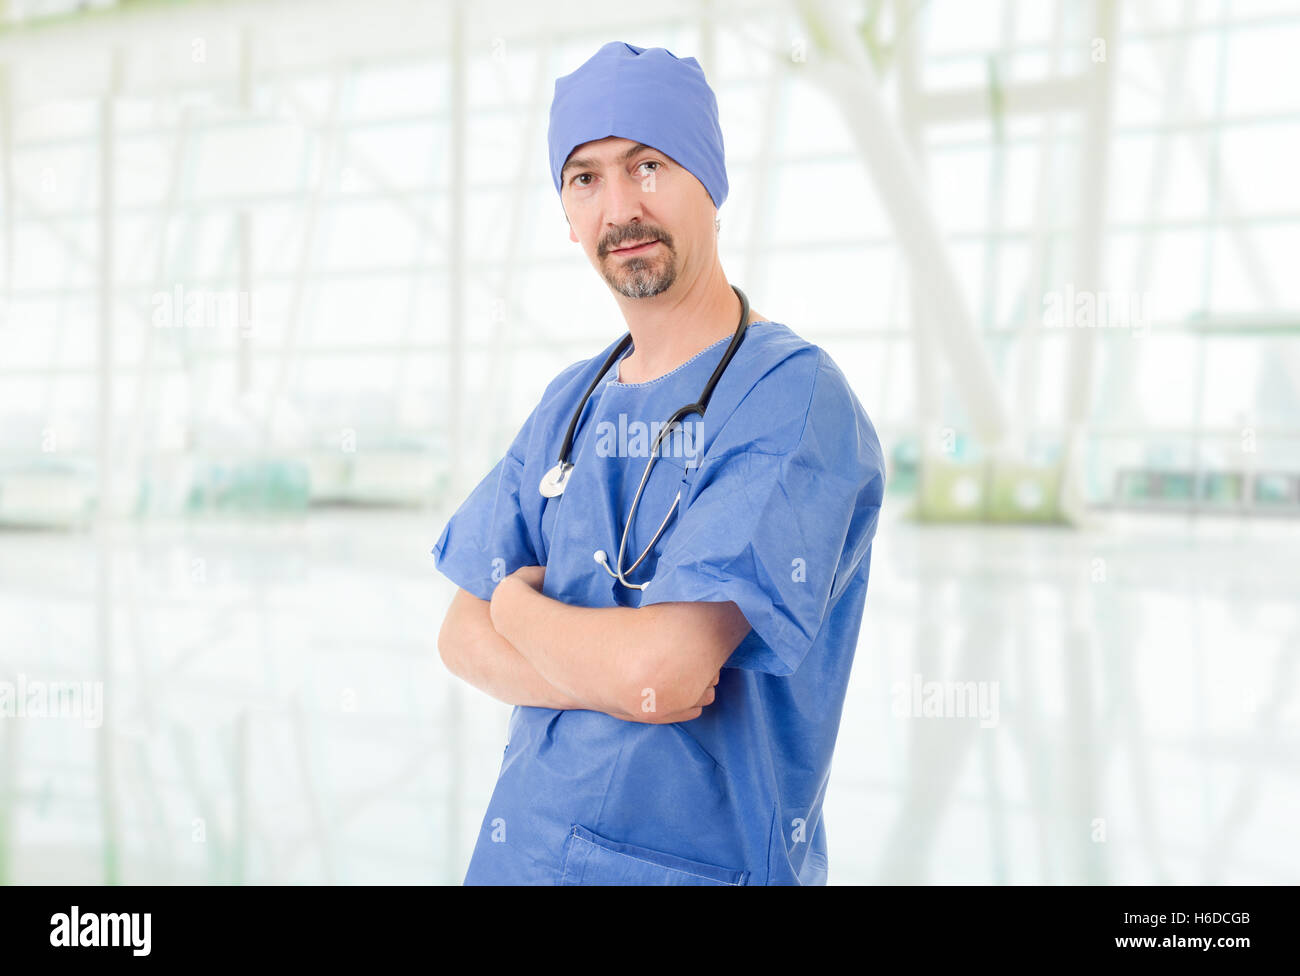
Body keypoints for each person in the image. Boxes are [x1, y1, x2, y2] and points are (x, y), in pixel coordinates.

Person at [432, 41, 885, 885]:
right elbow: (460, 639)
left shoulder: (791, 398)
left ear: (709, 182)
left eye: (648, 165)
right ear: (567, 216)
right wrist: (605, 674)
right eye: (586, 179)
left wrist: (518, 609)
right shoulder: (571, 401)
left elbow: (664, 669)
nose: (620, 209)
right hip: (519, 856)